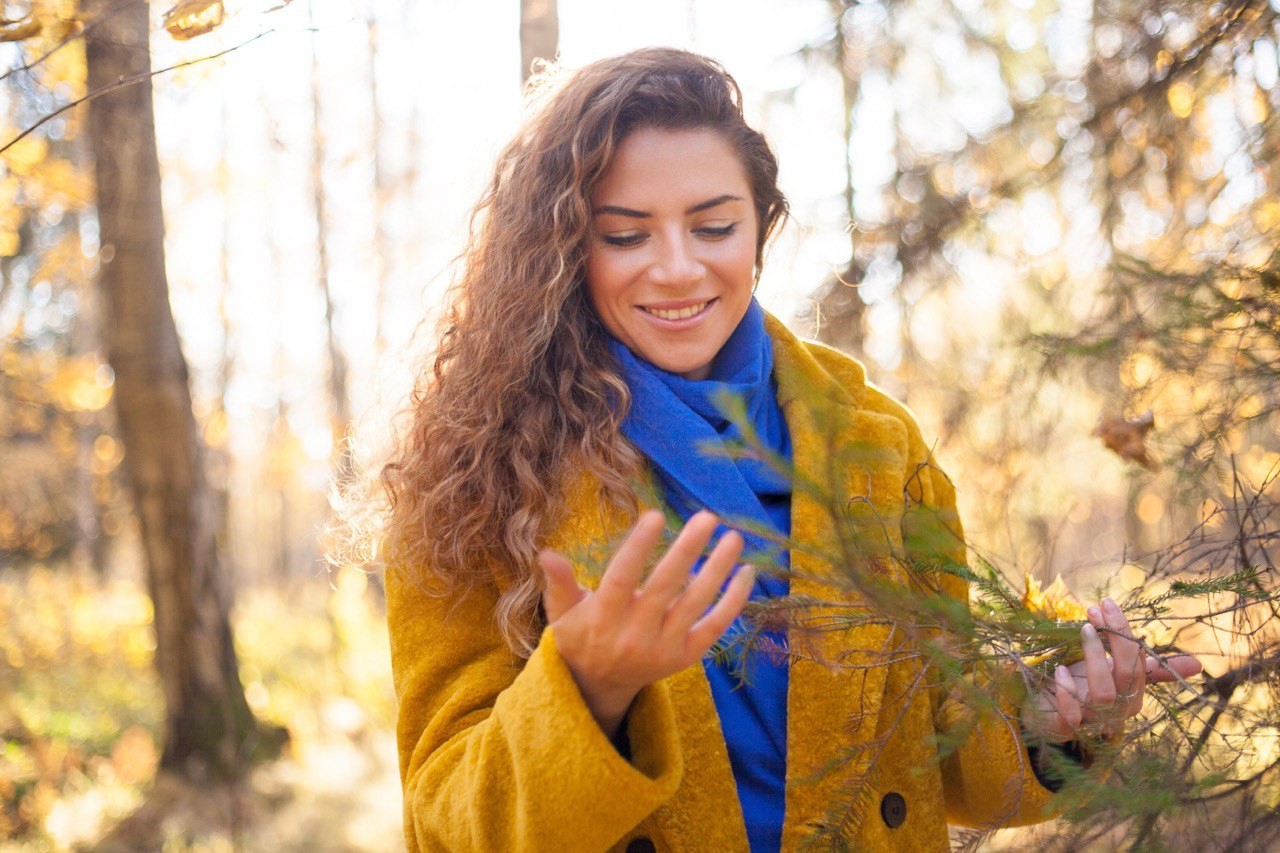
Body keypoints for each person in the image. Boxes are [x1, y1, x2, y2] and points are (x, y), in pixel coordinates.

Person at [380, 48, 1201, 852]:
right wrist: (586, 695)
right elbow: (446, 824)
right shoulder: (472, 472)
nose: (677, 267)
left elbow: (937, 748)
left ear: (761, 228)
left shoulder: (877, 444)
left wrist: (1052, 724)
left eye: (714, 225)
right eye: (625, 236)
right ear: (565, 249)